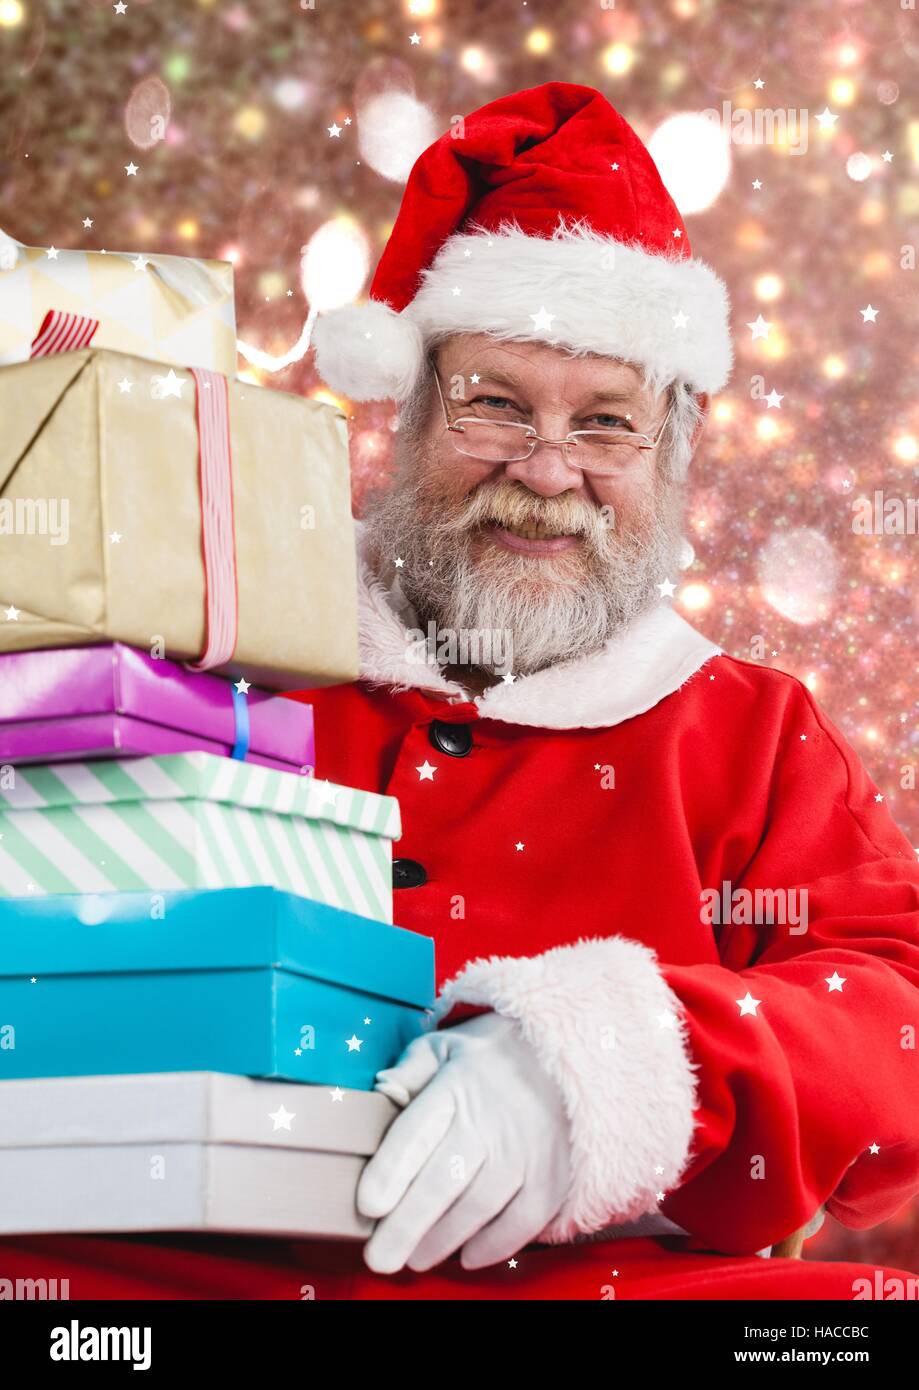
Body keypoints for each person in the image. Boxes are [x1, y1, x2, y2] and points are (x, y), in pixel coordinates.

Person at [2, 81, 917, 1301]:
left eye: (605, 424)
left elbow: (894, 1015)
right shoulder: (210, 634)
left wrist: (616, 1065)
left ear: (673, 452)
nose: (546, 471)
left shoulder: (750, 732)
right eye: (495, 403)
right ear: (408, 413)